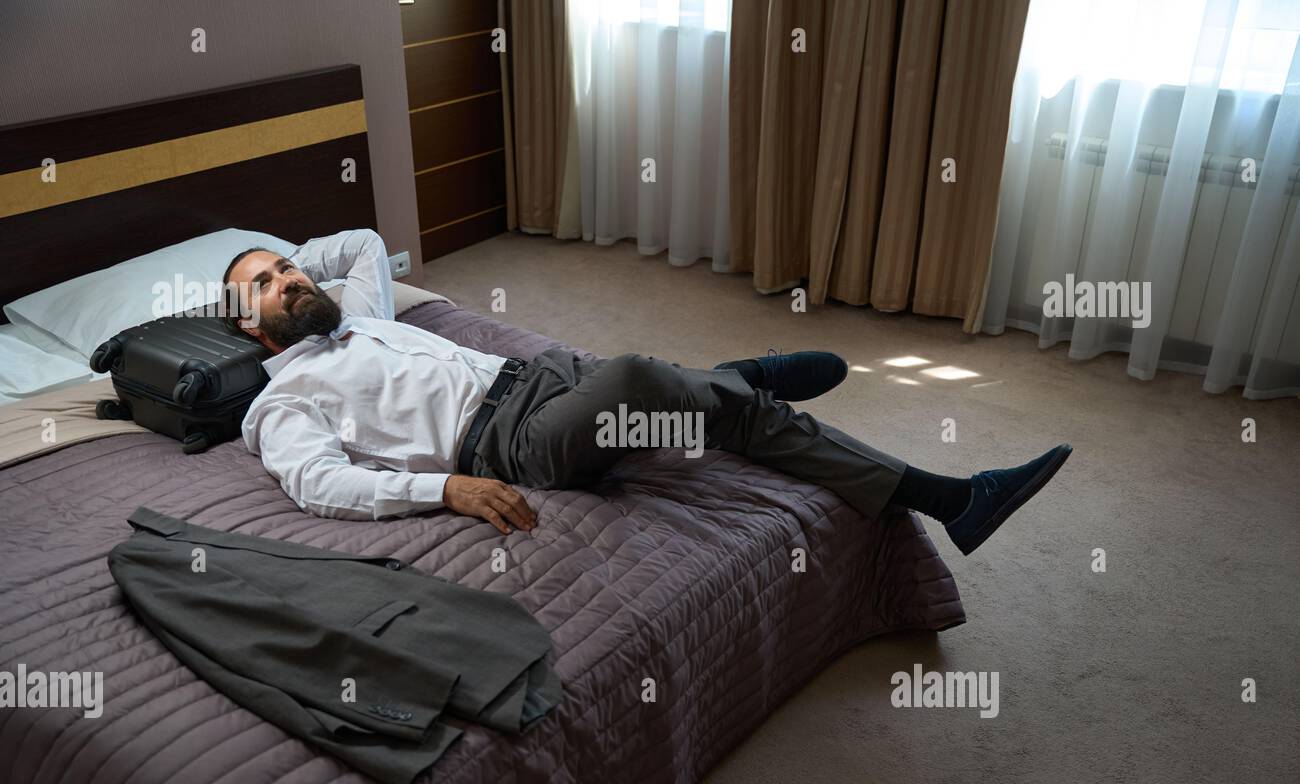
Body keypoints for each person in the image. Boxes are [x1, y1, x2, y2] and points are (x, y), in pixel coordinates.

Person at [225, 229, 1069, 555]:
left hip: (544, 379)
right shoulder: (282, 400)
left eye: (286, 265)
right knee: (637, 374)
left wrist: (290, 264)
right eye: (265, 285)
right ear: (252, 332)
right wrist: (443, 486)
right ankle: (745, 374)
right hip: (514, 442)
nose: (289, 278)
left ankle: (952, 500)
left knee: (721, 408)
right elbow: (321, 484)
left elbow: (366, 242)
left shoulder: (353, 316)